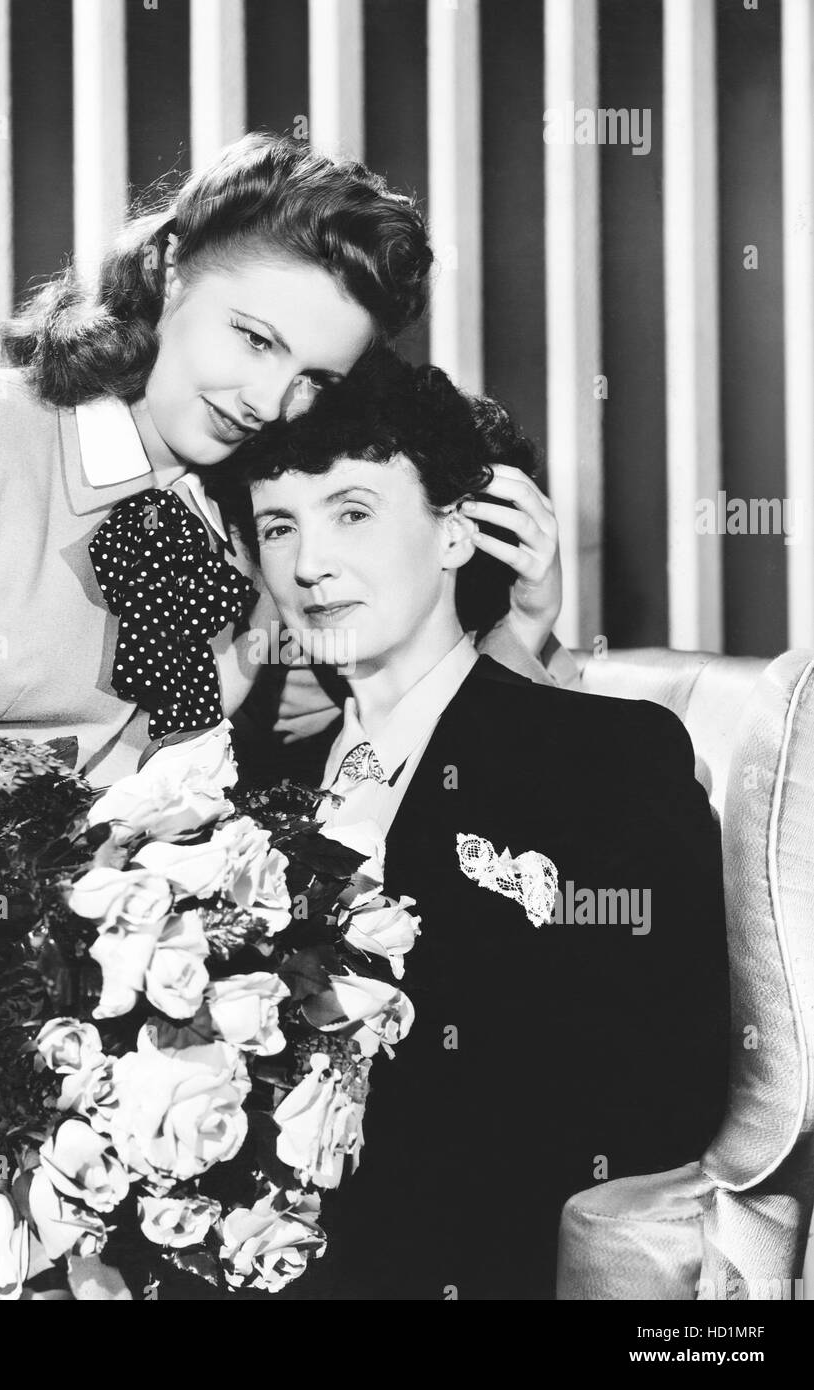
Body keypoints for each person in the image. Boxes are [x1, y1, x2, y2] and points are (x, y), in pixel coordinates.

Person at [0, 133, 566, 1300]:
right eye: (252, 340)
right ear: (164, 275)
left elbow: (366, 745)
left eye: (310, 379)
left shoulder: (255, 549)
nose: (268, 400)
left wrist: (521, 632)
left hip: (88, 1075)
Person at [231, 347, 731, 1300]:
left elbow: (663, 1084)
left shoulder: (601, 753)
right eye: (277, 527)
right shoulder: (253, 780)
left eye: (353, 512)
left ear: (455, 534)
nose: (309, 563)